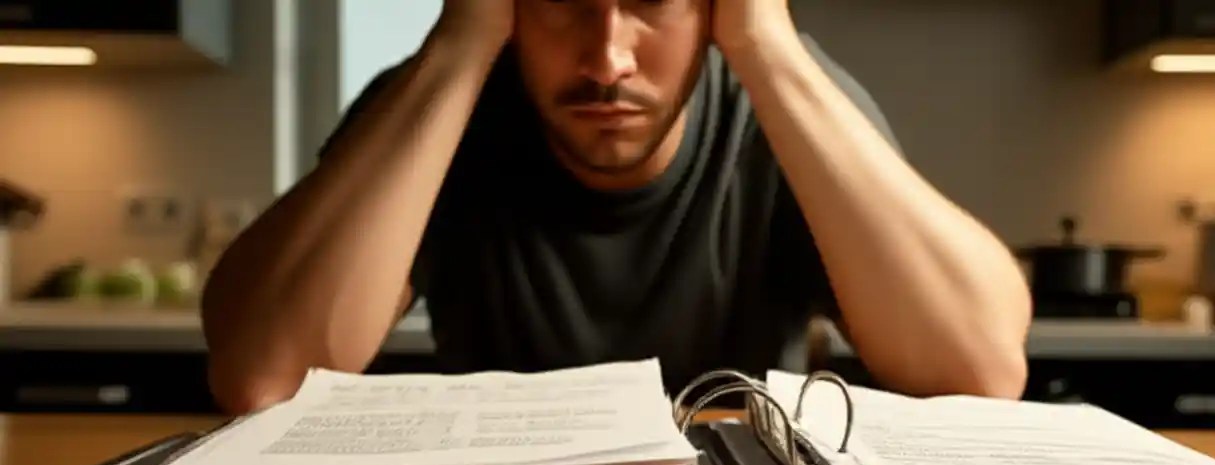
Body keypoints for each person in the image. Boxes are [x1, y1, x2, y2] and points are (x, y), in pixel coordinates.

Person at [201, 0, 1032, 415]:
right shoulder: (437, 108)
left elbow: (978, 370)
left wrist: (768, 46)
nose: (608, 58)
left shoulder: (789, 103)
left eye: (653, 0)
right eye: (562, 0)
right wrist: (455, 47)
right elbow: (263, 376)